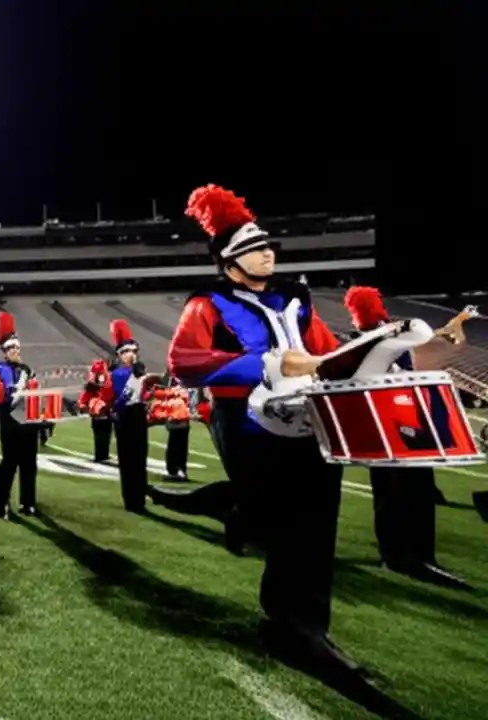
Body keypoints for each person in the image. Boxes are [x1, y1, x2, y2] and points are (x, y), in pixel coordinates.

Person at [169, 183, 360, 677]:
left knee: (318, 520)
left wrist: (363, 355)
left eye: (268, 245)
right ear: (230, 261)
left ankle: (306, 628)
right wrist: (268, 365)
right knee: (280, 517)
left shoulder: (296, 298)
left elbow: (323, 351)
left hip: (311, 416)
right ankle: (244, 520)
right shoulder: (207, 303)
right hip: (247, 418)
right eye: (255, 248)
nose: (267, 252)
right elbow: (184, 362)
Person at [343, 286, 470, 589]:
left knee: (415, 489)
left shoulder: (388, 337)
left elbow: (428, 338)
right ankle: (401, 556)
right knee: (395, 491)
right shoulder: (365, 342)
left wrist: (449, 329)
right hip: (387, 426)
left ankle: (418, 556)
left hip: (408, 422)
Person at [0, 311, 38, 518]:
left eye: (17, 347)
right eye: (11, 348)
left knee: (29, 464)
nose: (15, 351)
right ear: (4, 351)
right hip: (9, 421)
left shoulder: (28, 369)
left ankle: (28, 503)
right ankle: (0, 504)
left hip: (28, 421)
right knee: (8, 463)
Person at [110, 320, 152, 513]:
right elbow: (119, 399)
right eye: (127, 351)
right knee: (127, 460)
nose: (132, 355)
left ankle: (141, 496)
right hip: (124, 417)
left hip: (139, 416)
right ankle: (131, 499)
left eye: (134, 351)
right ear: (120, 355)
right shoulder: (116, 374)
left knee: (140, 457)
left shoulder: (141, 372)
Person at [77, 359, 114, 462]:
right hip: (101, 411)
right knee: (102, 434)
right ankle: (101, 455)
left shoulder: (99, 381)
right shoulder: (104, 381)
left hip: (102, 410)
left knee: (103, 434)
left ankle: (102, 454)